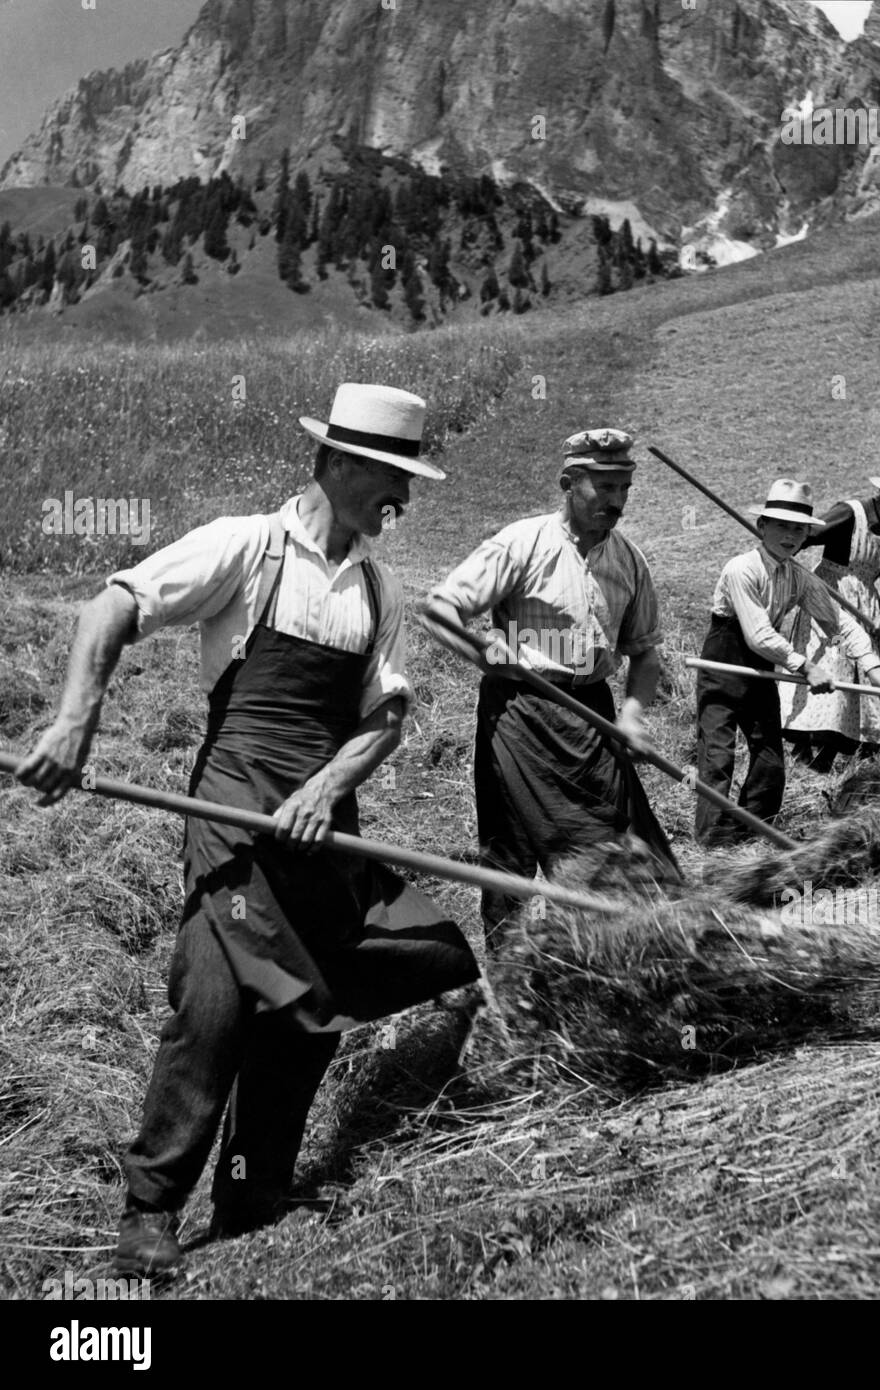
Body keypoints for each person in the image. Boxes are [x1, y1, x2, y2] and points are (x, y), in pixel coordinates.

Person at [16, 383, 478, 1276]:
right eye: (393, 476)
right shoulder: (247, 548)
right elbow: (110, 607)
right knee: (216, 1006)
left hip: (320, 827)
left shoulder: (379, 587)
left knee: (310, 1007)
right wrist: (74, 721)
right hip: (231, 812)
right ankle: (150, 1212)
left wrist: (327, 787)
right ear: (339, 463)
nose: (405, 499)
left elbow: (386, 717)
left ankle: (253, 1186)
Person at [421, 427, 679, 950]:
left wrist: (631, 715)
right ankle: (507, 971)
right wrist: (489, 655)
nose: (617, 501)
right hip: (521, 713)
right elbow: (439, 610)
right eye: (603, 488)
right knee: (510, 851)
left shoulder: (629, 561)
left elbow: (645, 652)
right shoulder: (523, 542)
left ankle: (604, 958)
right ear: (568, 482)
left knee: (613, 847)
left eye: (624, 488)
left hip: (593, 715)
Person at [695, 478, 880, 846]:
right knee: (718, 759)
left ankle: (751, 839)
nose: (790, 536)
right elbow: (759, 635)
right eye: (781, 526)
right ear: (762, 526)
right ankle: (711, 845)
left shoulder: (800, 578)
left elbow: (842, 623)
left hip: (762, 674)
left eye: (799, 529)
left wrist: (875, 671)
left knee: (770, 764)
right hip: (723, 671)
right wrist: (806, 666)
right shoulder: (740, 569)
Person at [781, 457, 880, 773]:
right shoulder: (850, 514)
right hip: (827, 603)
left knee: (859, 676)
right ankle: (801, 750)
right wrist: (783, 552)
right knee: (834, 666)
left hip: (864, 612)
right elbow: (807, 536)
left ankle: (825, 758)